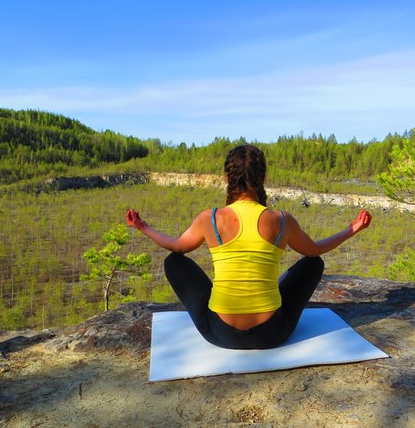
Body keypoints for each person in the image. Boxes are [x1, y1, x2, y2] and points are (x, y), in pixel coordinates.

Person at [126, 144, 372, 350]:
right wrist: (352, 229)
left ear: (228, 178)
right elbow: (315, 250)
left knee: (174, 261)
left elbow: (175, 246)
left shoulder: (210, 218)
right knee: (313, 263)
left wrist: (143, 226)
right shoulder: (282, 220)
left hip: (220, 334)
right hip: (272, 334)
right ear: (262, 177)